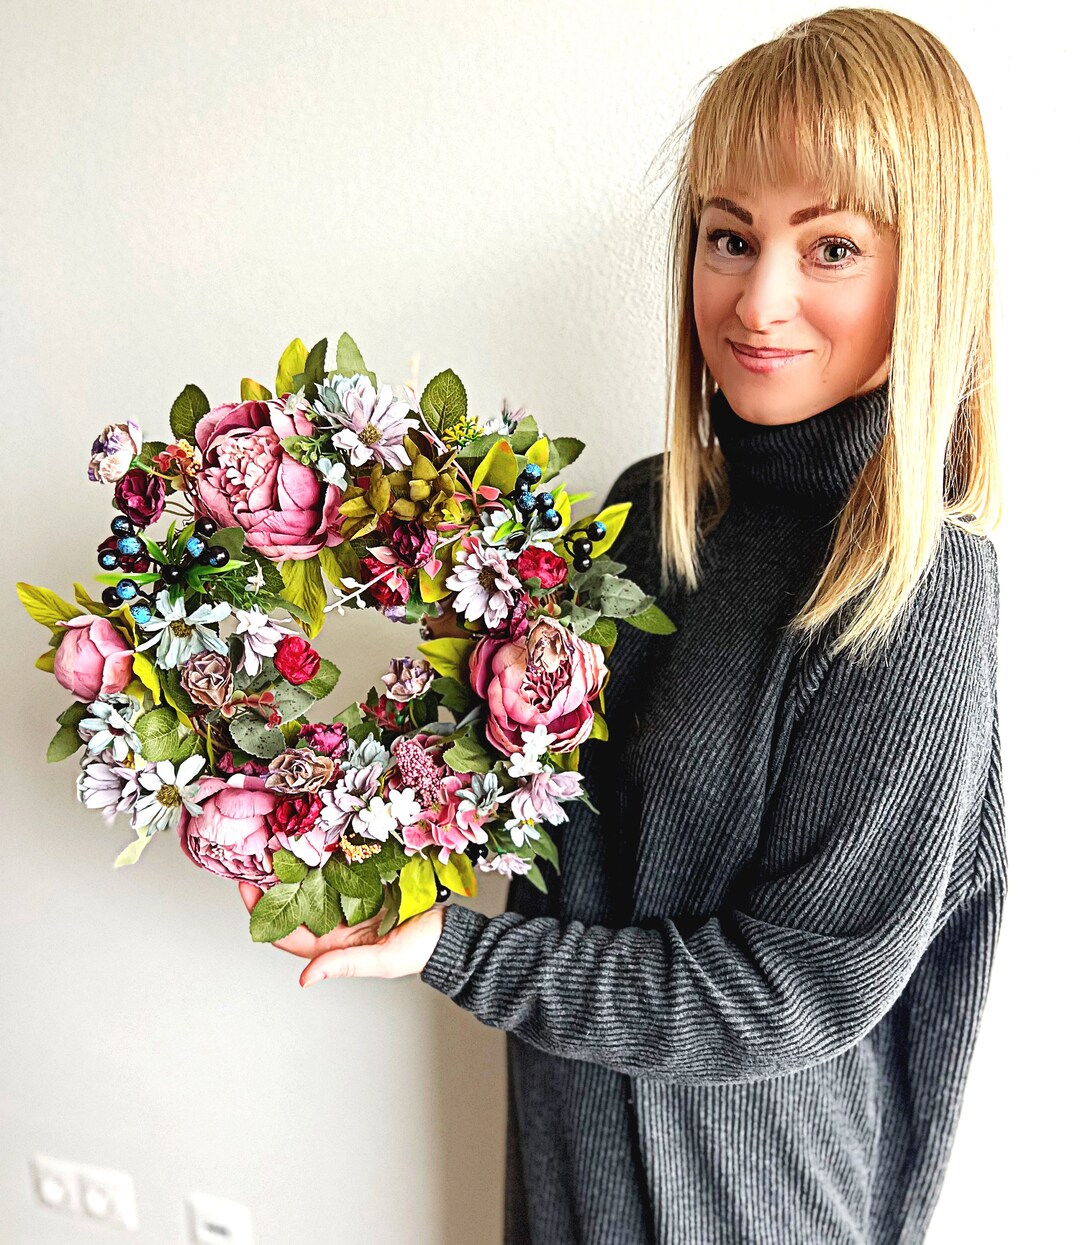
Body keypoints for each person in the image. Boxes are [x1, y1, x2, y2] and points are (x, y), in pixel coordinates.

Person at [241, 7, 1006, 1242]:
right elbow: (536, 805)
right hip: (568, 1132)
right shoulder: (650, 512)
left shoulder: (916, 589)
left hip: (752, 1197)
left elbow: (796, 988)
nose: (758, 301)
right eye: (728, 237)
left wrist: (457, 955)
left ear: (930, 270)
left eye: (830, 248)